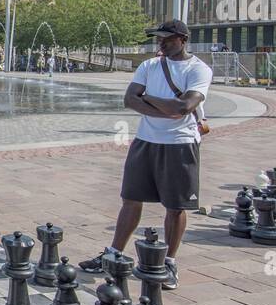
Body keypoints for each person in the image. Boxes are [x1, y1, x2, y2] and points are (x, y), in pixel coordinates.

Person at [79, 20, 211, 289]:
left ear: (183, 39)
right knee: (130, 199)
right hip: (145, 140)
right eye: (158, 38)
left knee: (176, 206)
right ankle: (113, 253)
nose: (161, 43)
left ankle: (169, 263)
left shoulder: (198, 69)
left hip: (179, 143)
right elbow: (130, 99)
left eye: (167, 39)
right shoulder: (149, 66)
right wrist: (166, 108)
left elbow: (184, 106)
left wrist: (148, 97)